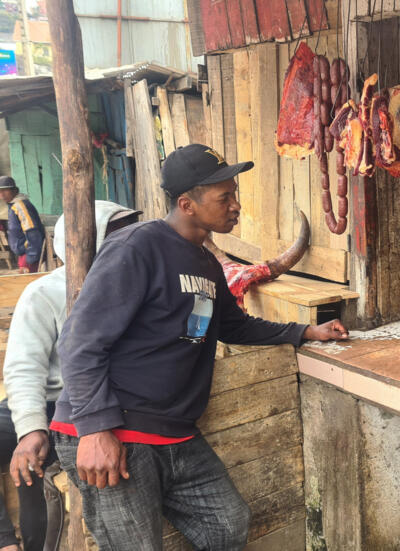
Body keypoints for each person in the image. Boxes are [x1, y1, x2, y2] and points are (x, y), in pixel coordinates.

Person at [50, 144, 349, 551]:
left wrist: (303, 333)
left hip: (173, 433)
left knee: (227, 525)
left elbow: (231, 325)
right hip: (116, 429)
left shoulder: (205, 263)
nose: (236, 205)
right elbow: (78, 342)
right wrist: (95, 429)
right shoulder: (136, 248)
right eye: (224, 197)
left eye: (234, 193)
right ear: (187, 204)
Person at [0, 201, 141, 551]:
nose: (128, 241)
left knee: (37, 472)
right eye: (115, 233)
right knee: (27, 456)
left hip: (99, 404)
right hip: (50, 402)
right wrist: (31, 427)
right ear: (84, 241)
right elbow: (23, 369)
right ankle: (7, 540)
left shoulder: (136, 285)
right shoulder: (44, 293)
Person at [0, 177, 45, 274]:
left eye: (5, 191)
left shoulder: (20, 206)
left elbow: (32, 231)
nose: (1, 195)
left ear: (14, 190)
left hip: (29, 255)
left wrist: (31, 257)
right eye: (0, 191)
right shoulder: (12, 205)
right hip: (23, 254)